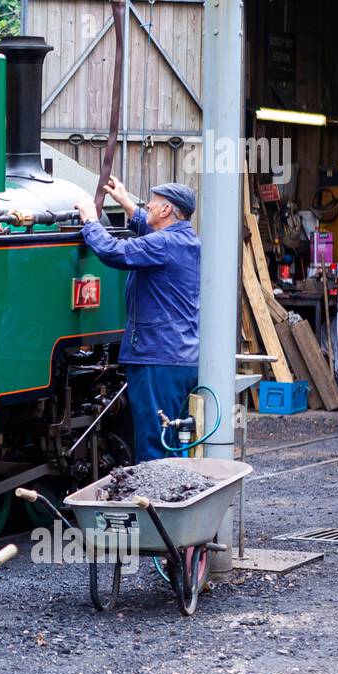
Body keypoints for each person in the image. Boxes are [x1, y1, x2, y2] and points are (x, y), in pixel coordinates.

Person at [75, 178, 200, 462]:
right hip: (181, 357)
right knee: (175, 438)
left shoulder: (163, 244)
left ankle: (156, 503)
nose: (148, 205)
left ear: (167, 209)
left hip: (156, 356)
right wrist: (126, 204)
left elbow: (113, 252)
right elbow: (151, 231)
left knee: (155, 444)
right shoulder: (188, 240)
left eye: (153, 202)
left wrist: (91, 222)